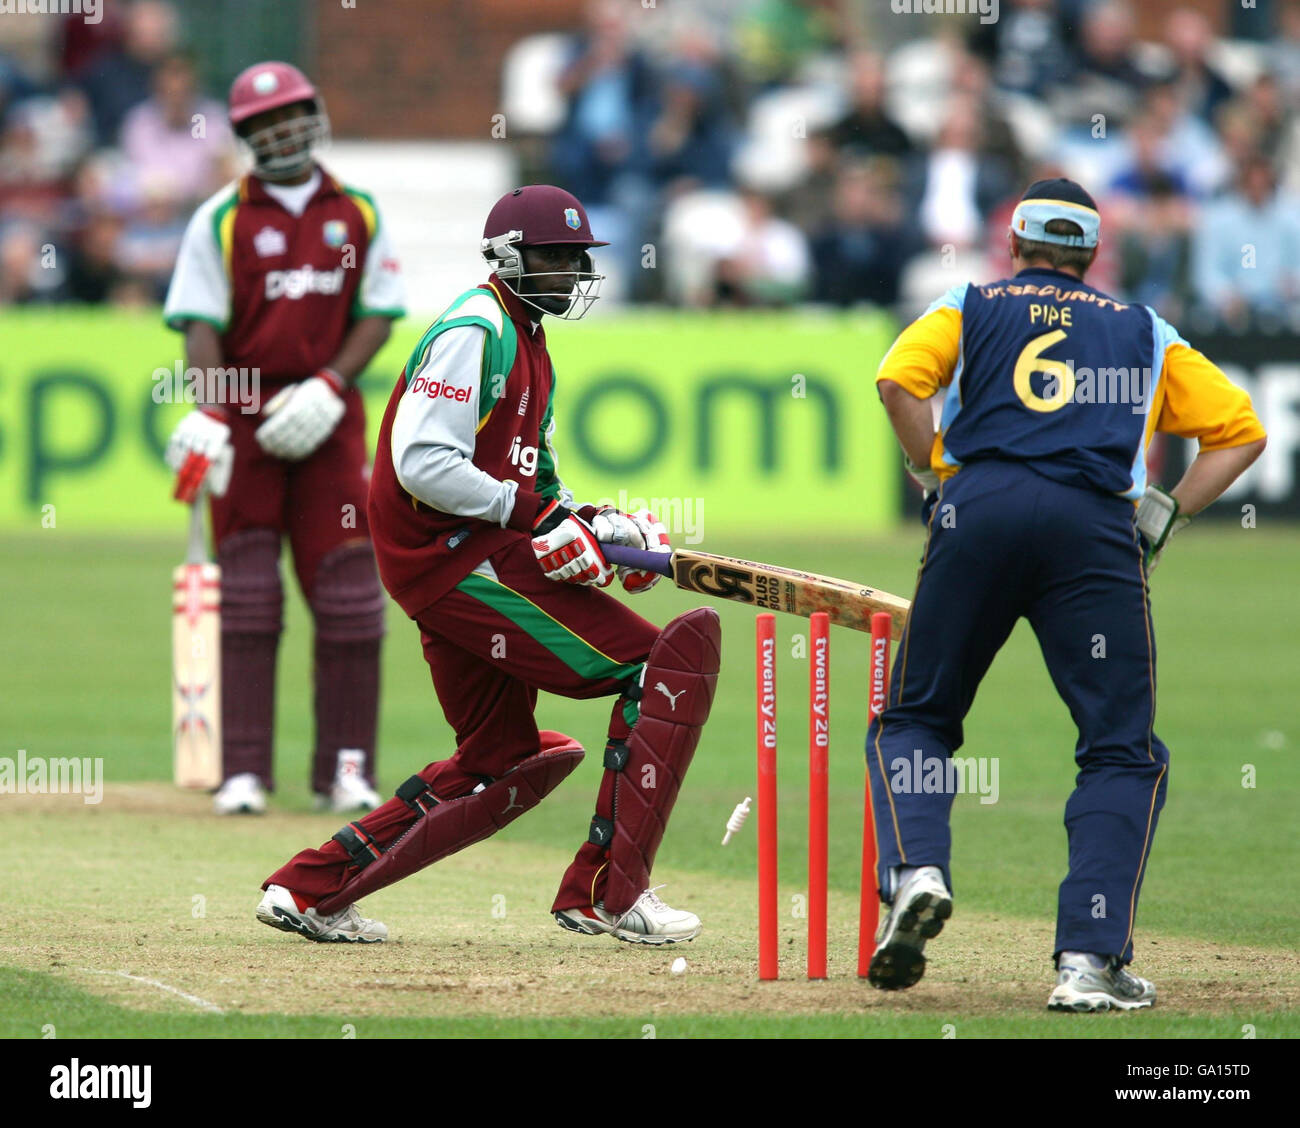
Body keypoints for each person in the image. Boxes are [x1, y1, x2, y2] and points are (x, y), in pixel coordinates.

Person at [254, 184, 719, 946]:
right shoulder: (477, 327)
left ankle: (308, 890)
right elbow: (422, 461)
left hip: (459, 563)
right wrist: (532, 516)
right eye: (553, 256)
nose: (569, 271)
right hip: (457, 561)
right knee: (655, 669)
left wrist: (598, 523)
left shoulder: (530, 340)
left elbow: (537, 484)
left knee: (501, 758)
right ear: (506, 257)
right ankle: (609, 893)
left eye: (577, 258)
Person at [866, 178, 1266, 1011]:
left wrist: (934, 477)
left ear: (1014, 244)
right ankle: (1087, 963)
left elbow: (897, 380)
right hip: (1093, 534)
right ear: (1092, 254)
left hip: (980, 510)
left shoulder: (971, 301)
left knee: (916, 718)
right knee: (1120, 750)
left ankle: (918, 870)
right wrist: (1163, 515)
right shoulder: (1143, 330)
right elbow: (1241, 432)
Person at [161, 61, 405, 815]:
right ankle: (241, 771)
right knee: (249, 594)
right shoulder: (221, 218)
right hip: (246, 421)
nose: (283, 131)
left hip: (331, 424)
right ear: (245, 136)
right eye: (266, 123)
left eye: (294, 115)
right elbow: (201, 323)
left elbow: (378, 309)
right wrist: (210, 409)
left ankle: (346, 768)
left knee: (351, 599)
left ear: (315, 115)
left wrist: (332, 384)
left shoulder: (358, 211)